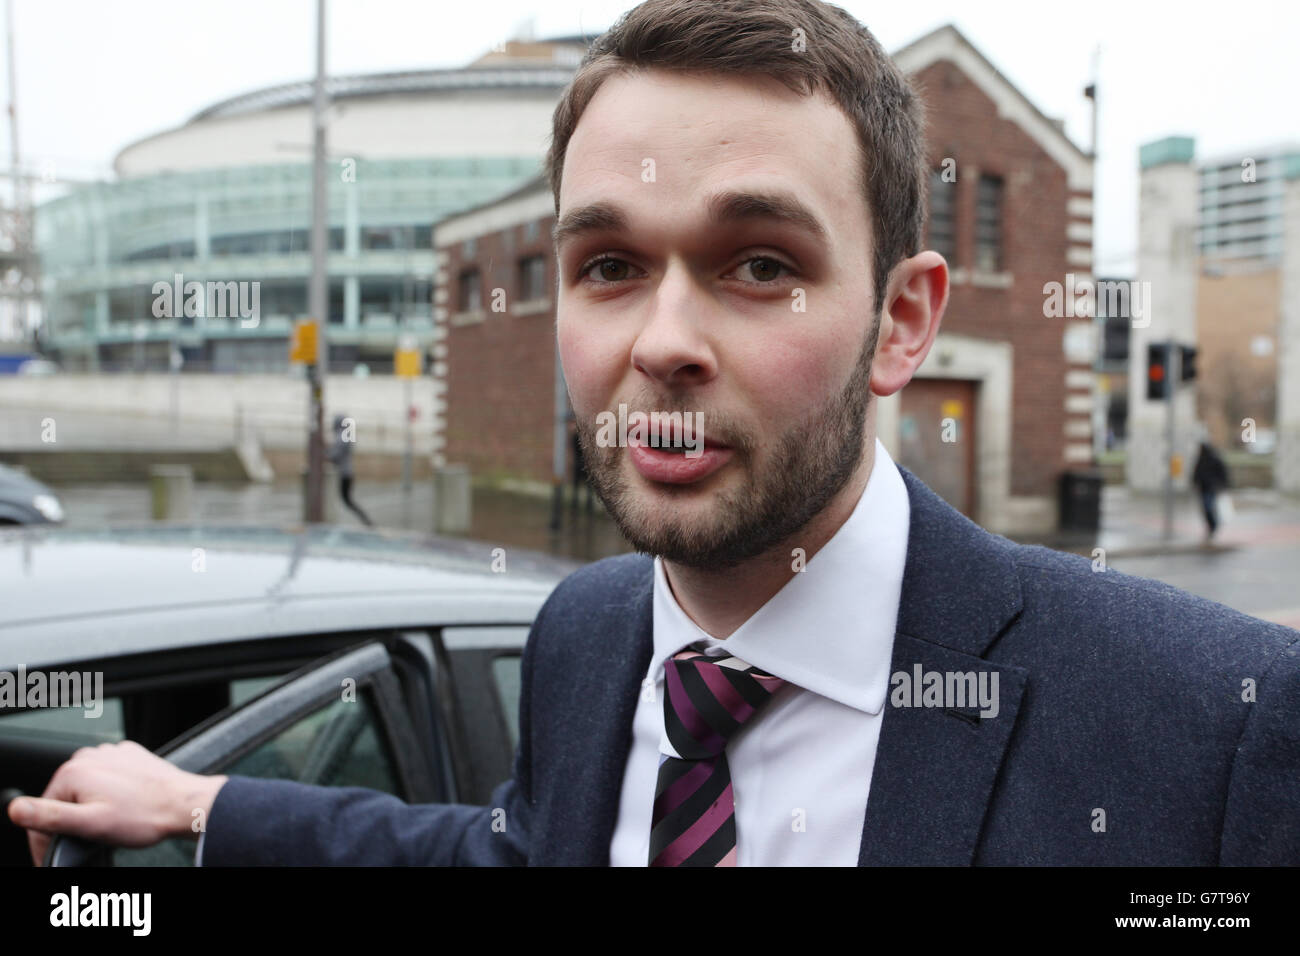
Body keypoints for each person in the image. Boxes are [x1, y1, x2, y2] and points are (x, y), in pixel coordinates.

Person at [10, 0, 1298, 866]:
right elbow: (505, 853)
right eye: (611, 264)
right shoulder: (590, 630)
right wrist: (201, 802)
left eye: (755, 263)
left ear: (900, 323)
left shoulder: (1209, 723)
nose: (663, 340)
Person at [326, 412, 372, 527]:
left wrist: (325, 453)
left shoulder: (343, 437)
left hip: (345, 474)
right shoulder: (346, 435)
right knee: (347, 500)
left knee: (347, 500)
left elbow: (334, 455)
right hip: (346, 473)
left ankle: (366, 521)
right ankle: (366, 521)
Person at [1192, 440, 1230, 539]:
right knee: (1206, 508)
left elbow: (1222, 474)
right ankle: (1211, 526)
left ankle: (1213, 525)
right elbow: (1196, 473)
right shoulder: (1201, 460)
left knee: (1209, 507)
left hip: (1211, 488)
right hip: (1203, 488)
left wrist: (1221, 485)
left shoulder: (1214, 460)